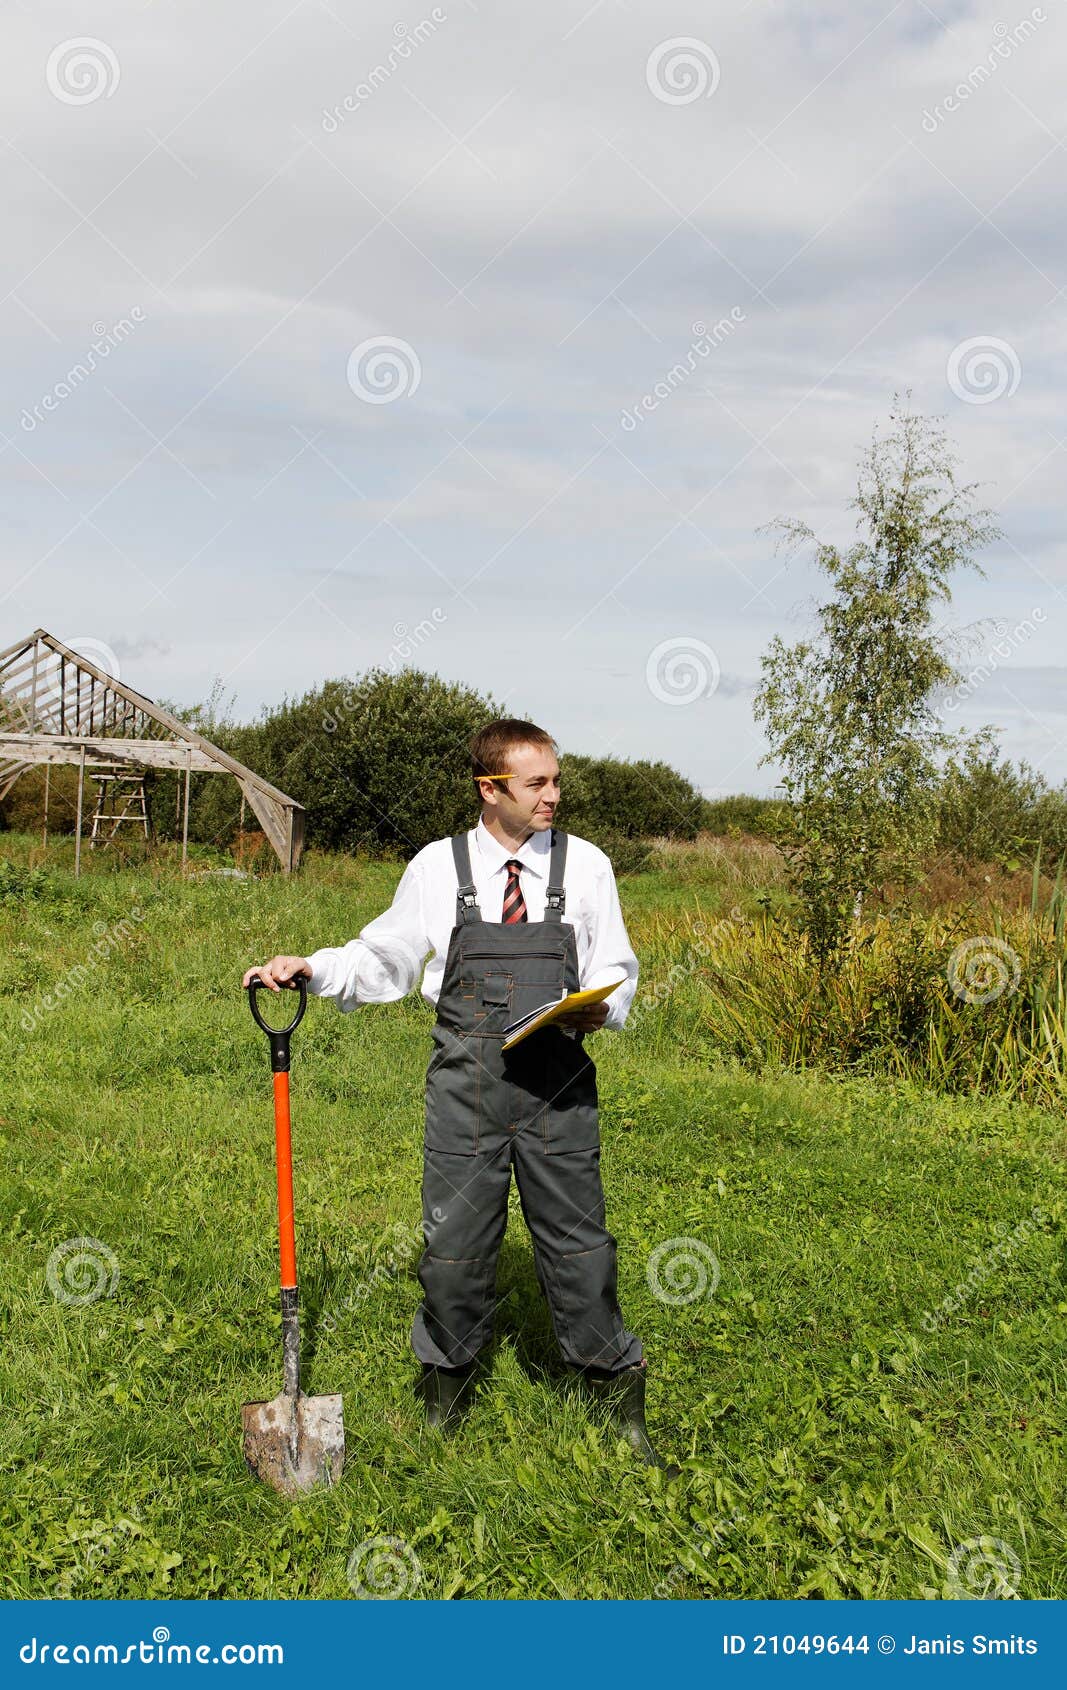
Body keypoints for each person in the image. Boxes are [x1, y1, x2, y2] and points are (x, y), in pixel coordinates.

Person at [242, 719, 677, 1472]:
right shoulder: (437, 868)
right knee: (452, 1251)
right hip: (465, 1092)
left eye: (555, 779)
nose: (553, 796)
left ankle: (615, 1403)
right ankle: (445, 1395)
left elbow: (617, 964)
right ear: (490, 789)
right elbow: (386, 957)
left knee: (580, 1249)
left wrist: (605, 1004)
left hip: (558, 1088)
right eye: (535, 782)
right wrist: (311, 967)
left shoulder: (588, 866)